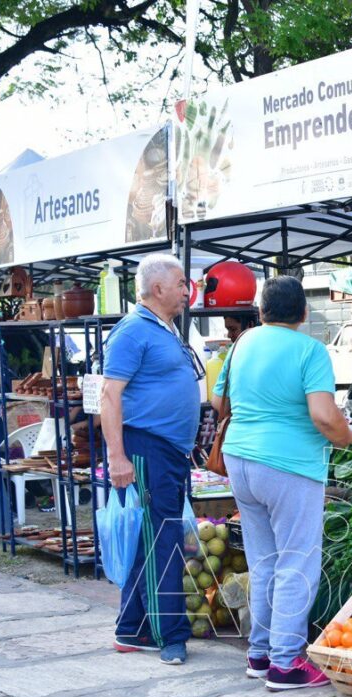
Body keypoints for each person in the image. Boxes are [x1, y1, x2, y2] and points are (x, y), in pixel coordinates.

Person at [214, 275, 352, 690]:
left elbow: (218, 402)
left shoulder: (242, 345)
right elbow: (325, 416)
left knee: (264, 562)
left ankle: (259, 654)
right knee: (297, 562)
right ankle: (286, 663)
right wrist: (347, 438)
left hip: (239, 461)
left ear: (260, 312)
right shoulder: (311, 350)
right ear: (305, 314)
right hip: (289, 465)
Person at [101, 254, 202, 666]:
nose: (186, 290)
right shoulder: (131, 331)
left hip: (168, 450)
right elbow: (110, 395)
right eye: (180, 283)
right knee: (164, 540)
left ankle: (131, 627)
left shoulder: (165, 328)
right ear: (157, 288)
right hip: (146, 447)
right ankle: (171, 636)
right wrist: (116, 456)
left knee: (153, 537)